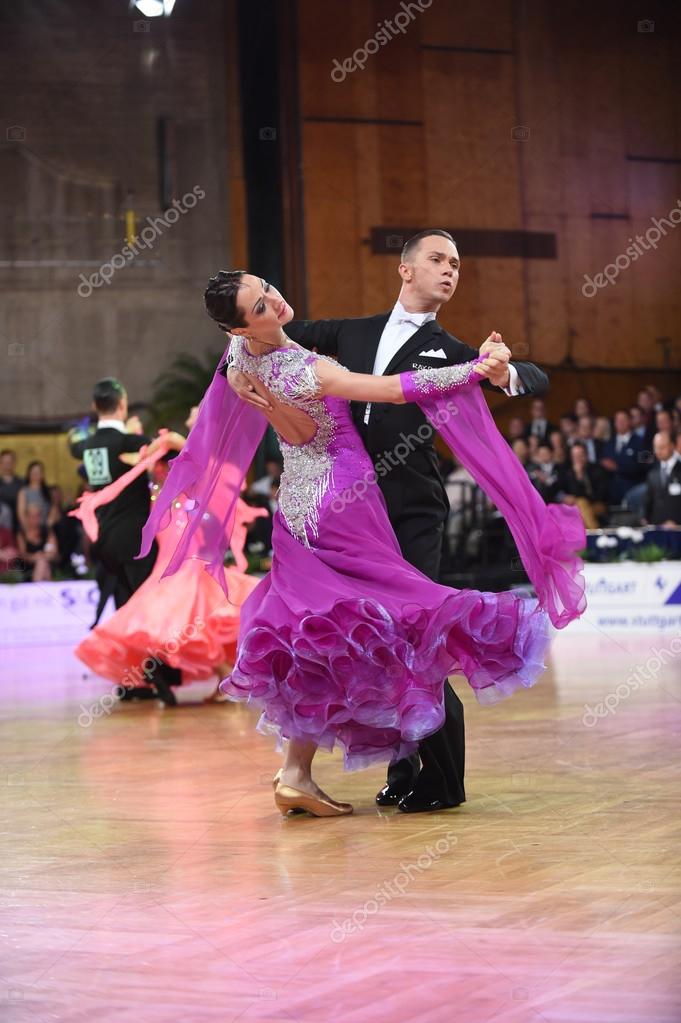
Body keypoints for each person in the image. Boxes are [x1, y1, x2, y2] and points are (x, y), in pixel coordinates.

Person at [140, 269, 585, 819]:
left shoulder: (239, 358)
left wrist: (499, 370)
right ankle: (458, 684)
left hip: (296, 509)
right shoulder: (309, 367)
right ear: (240, 324)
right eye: (260, 305)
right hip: (343, 501)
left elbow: (284, 414)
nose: (276, 302)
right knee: (401, 609)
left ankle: (297, 772)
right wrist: (471, 370)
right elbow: (396, 389)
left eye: (269, 289)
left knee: (319, 630)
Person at [227, 231, 550, 814]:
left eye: (456, 264)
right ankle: (399, 772)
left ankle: (442, 780)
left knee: (416, 635)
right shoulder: (346, 332)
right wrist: (235, 375)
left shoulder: (449, 348)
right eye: (437, 260)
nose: (449, 271)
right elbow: (260, 337)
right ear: (406, 270)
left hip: (408, 506)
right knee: (369, 640)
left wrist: (500, 372)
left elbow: (530, 378)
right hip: (342, 513)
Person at [70, 377, 180, 704]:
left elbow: (75, 442)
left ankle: (132, 681)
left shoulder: (87, 446)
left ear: (94, 407)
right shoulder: (131, 442)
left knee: (122, 609)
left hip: (101, 539)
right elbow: (167, 448)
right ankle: (158, 677)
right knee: (145, 608)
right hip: (134, 538)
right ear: (122, 403)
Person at [558, 441, 609, 529]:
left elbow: (598, 495)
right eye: (575, 456)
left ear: (586, 455)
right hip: (574, 508)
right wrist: (565, 497)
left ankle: (593, 532)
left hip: (597, 505)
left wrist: (579, 476)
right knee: (580, 506)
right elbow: (559, 490)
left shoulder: (597, 470)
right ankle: (594, 534)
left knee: (581, 503)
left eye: (580, 455)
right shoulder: (567, 472)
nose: (578, 459)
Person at [643, 432, 681, 526]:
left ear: (672, 446)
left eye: (662, 447)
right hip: (657, 528)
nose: (658, 451)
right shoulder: (652, 473)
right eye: (656, 447)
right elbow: (649, 501)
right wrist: (644, 518)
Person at [16, 503, 59, 581]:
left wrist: (41, 556)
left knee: (42, 563)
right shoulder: (21, 533)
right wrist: (34, 557)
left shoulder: (46, 531)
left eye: (37, 516)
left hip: (47, 562)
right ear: (27, 517)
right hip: (28, 566)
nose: (35, 519)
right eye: (32, 516)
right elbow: (22, 554)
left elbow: (53, 552)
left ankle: (36, 589)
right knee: (42, 563)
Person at [16, 461, 51, 532]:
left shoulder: (48, 491)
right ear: (28, 474)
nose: (36, 474)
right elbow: (21, 514)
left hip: (45, 529)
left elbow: (53, 509)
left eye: (38, 472)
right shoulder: (23, 492)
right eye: (33, 472)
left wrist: (48, 526)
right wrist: (28, 531)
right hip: (29, 530)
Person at [0, 449, 23, 534]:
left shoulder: (22, 483)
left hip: (20, 527)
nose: (7, 465)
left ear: (14, 463)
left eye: (9, 462)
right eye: (4, 462)